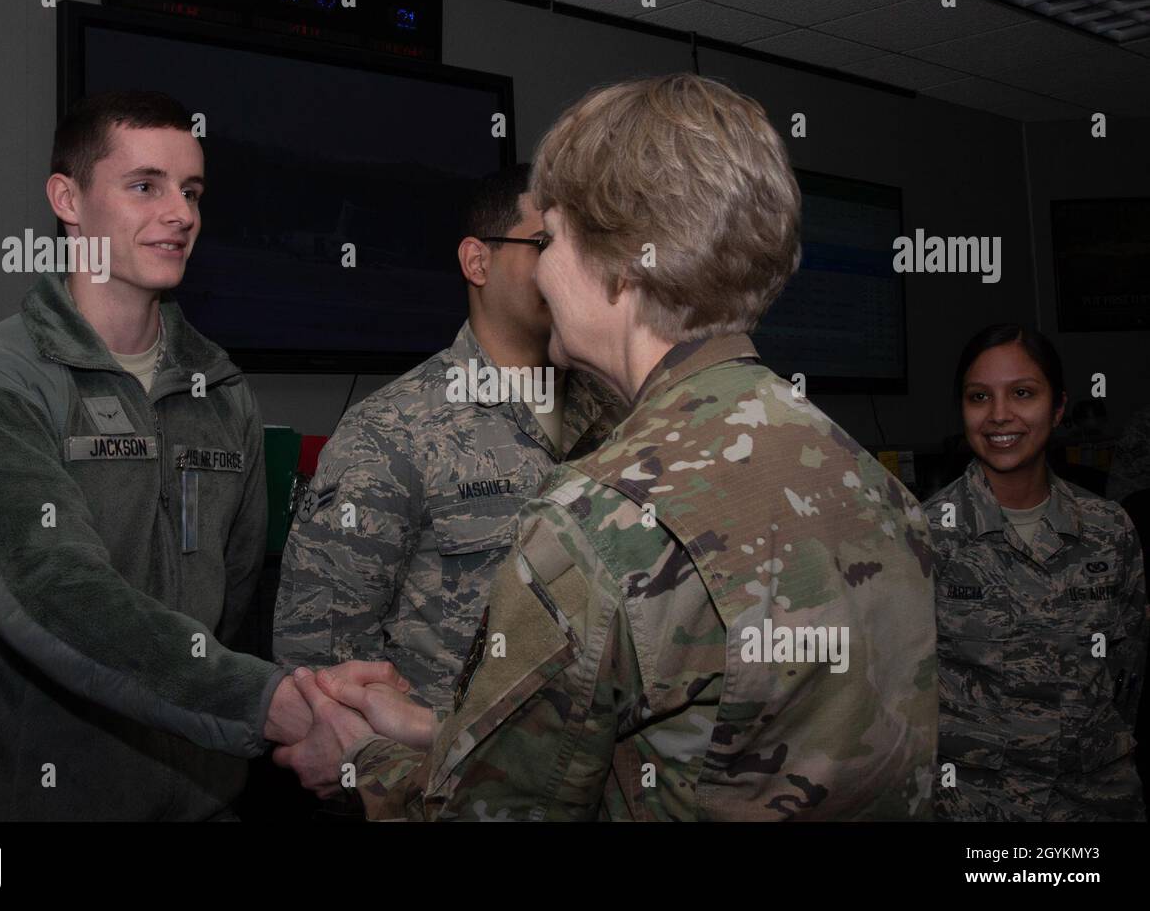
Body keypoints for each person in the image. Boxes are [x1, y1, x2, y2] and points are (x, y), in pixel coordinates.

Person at [275, 73, 939, 820]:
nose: (545, 275)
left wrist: (364, 758)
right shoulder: (865, 478)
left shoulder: (600, 518)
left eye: (552, 239)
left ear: (622, 264)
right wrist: (444, 731)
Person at [0, 90, 401, 821]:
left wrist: (295, 700)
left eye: (192, 191)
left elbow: (232, 599)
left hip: (201, 798)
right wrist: (271, 704)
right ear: (67, 199)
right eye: (146, 186)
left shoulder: (222, 391)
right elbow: (51, 596)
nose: (182, 214)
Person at [273, 164, 623, 712]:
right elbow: (322, 665)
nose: (570, 271)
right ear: (477, 262)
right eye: (546, 244)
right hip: (445, 783)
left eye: (585, 250)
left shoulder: (621, 417)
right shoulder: (392, 430)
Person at [922, 324, 1146, 821]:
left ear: (1059, 407)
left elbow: (1128, 671)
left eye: (1023, 393)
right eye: (979, 396)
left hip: (1096, 799)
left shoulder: (1109, 529)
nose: (1000, 414)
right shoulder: (923, 535)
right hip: (974, 805)